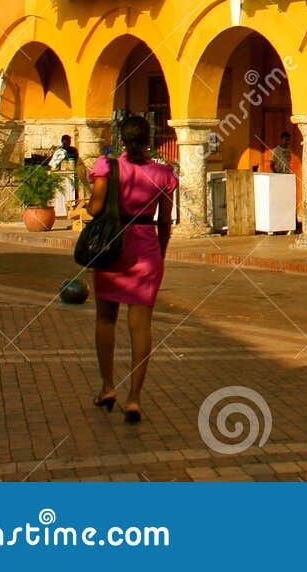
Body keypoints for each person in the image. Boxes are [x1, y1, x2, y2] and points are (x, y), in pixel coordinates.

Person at [86, 114, 177, 425]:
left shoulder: (107, 167)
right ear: (149, 140)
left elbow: (96, 208)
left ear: (121, 139)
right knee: (141, 326)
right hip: (145, 248)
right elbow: (165, 221)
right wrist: (159, 255)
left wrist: (89, 205)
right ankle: (135, 398)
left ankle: (108, 386)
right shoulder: (164, 174)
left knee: (105, 318)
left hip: (111, 247)